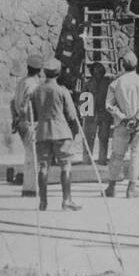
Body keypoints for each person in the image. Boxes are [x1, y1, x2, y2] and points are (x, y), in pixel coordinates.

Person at [30, 59, 83, 211]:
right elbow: (72, 115)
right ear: (58, 73)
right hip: (61, 132)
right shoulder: (62, 91)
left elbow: (32, 113)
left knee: (43, 166)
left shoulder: (36, 91)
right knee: (65, 165)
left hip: (42, 132)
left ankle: (43, 201)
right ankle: (66, 200)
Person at [104, 51, 139, 198]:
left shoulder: (116, 83)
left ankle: (111, 187)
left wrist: (123, 118)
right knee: (136, 155)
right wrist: (137, 118)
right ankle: (131, 188)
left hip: (122, 124)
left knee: (117, 155)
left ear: (123, 65)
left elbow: (109, 105)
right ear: (137, 66)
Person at [9, 53, 43, 196]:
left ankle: (30, 187)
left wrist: (15, 119)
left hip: (21, 122)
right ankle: (31, 188)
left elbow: (12, 103)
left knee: (30, 155)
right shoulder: (33, 84)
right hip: (30, 122)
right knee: (34, 156)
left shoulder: (22, 81)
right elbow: (26, 105)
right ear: (39, 69)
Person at [81, 61, 113, 166]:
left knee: (104, 138)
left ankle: (102, 160)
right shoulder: (88, 84)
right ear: (92, 72)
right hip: (91, 114)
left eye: (100, 70)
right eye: (96, 71)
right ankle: (87, 160)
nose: (98, 72)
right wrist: (85, 115)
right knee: (89, 138)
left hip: (104, 114)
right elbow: (83, 101)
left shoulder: (108, 83)